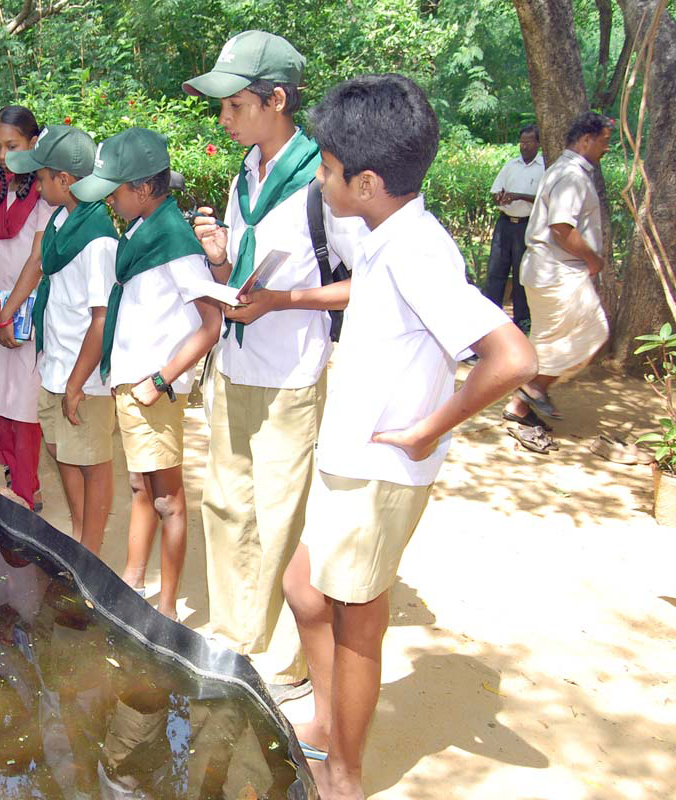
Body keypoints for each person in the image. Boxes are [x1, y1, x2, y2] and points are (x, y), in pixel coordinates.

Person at [258, 75, 536, 798]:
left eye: (326, 168)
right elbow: (374, 296)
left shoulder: (417, 249)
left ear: (368, 180)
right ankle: (325, 724)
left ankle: (343, 774)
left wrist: (426, 431)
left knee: (356, 624)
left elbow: (512, 357)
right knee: (304, 588)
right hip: (349, 458)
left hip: (379, 468)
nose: (321, 177)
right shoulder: (391, 236)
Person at [183, 30, 358, 701]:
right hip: (234, 365)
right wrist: (222, 254)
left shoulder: (326, 179)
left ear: (276, 99)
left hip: (291, 374)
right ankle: (235, 634)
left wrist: (285, 300)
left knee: (283, 511)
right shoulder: (243, 177)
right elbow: (238, 276)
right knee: (227, 503)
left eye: (232, 103)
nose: (222, 116)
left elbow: (366, 283)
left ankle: (286, 660)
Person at [71, 128, 223, 619]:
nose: (110, 200)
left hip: (152, 391)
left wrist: (160, 381)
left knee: (168, 501)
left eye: (114, 190)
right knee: (143, 489)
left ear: (141, 189)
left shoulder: (174, 240)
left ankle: (166, 608)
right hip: (133, 388)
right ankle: (134, 584)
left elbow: (211, 323)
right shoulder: (140, 231)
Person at [4, 125, 119, 555]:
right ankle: (79, 534)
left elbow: (102, 319)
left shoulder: (99, 239)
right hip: (56, 364)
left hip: (83, 375)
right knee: (63, 452)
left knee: (91, 460)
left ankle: (91, 553)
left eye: (41, 177)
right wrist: (11, 310)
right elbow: (37, 264)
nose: (35, 184)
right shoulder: (60, 219)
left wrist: (75, 384)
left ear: (65, 180)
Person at [503, 111, 614, 452]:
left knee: (548, 342)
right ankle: (530, 392)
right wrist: (593, 259)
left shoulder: (564, 170)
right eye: (604, 141)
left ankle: (518, 406)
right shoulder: (571, 175)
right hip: (557, 271)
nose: (606, 149)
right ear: (586, 140)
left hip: (548, 271)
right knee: (592, 333)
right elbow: (561, 227)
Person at [0, 106, 53, 510]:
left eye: (13, 146)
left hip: (28, 308)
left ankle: (26, 490)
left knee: (23, 405)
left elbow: (36, 260)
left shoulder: (46, 192)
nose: (3, 155)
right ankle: (12, 483)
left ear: (34, 143)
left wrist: (10, 314)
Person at [482, 123, 544, 330]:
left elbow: (545, 200)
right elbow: (495, 191)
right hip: (505, 224)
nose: (524, 146)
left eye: (529, 142)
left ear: (538, 143)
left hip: (526, 226)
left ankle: (522, 321)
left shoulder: (544, 167)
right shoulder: (511, 165)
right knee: (495, 272)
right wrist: (500, 197)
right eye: (522, 142)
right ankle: (489, 319)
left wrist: (519, 196)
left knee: (521, 275)